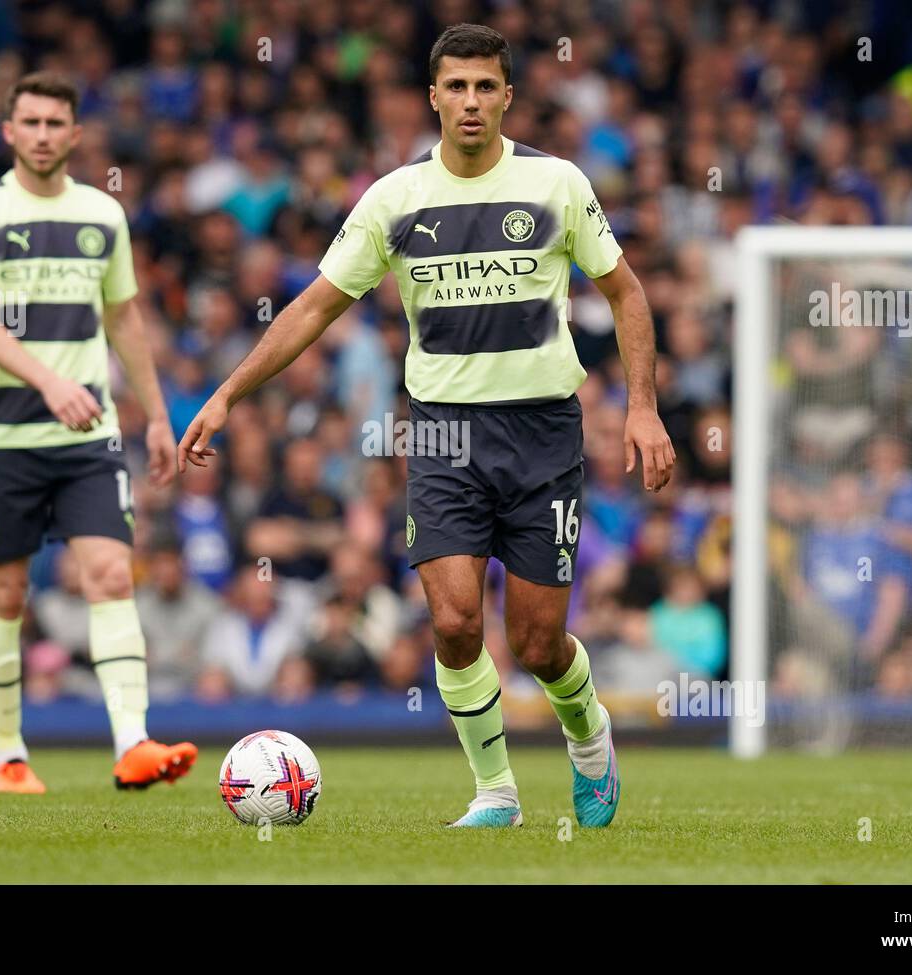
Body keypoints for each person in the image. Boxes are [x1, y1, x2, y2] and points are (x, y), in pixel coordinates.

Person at [178, 24, 674, 827]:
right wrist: (230, 391)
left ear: (507, 96)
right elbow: (313, 305)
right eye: (457, 87)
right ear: (434, 96)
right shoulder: (394, 198)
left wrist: (643, 408)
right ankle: (496, 792)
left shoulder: (555, 184)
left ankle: (590, 743)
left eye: (486, 87)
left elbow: (626, 292)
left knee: (540, 643)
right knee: (450, 619)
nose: (471, 102)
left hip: (543, 433)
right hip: (443, 433)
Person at [0, 72, 197, 793]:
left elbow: (123, 317)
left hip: (87, 437)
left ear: (76, 135)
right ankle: (6, 755)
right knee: (5, 594)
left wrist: (155, 415)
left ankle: (133, 743)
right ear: (10, 132)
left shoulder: (102, 215)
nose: (45, 134)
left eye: (58, 123)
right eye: (32, 122)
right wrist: (49, 381)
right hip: (2, 436)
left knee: (113, 574)